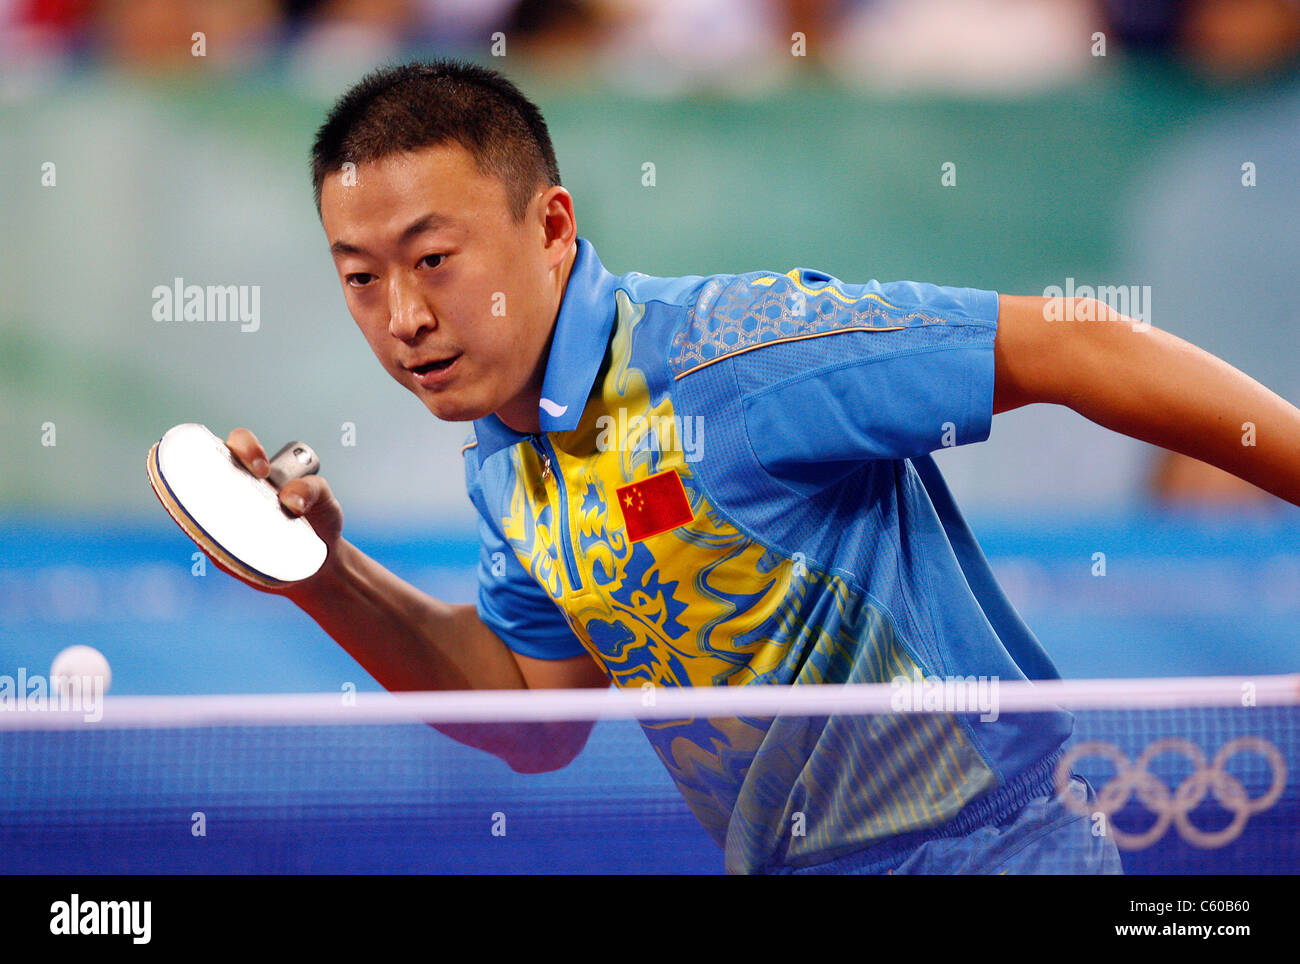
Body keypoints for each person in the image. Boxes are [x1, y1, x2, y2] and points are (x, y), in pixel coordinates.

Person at [221, 59, 1300, 874]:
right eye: (360, 277)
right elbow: (530, 712)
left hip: (989, 854)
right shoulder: (509, 467)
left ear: (550, 227)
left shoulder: (729, 356)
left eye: (432, 260)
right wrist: (324, 575)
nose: (403, 316)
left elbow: (1074, 343)